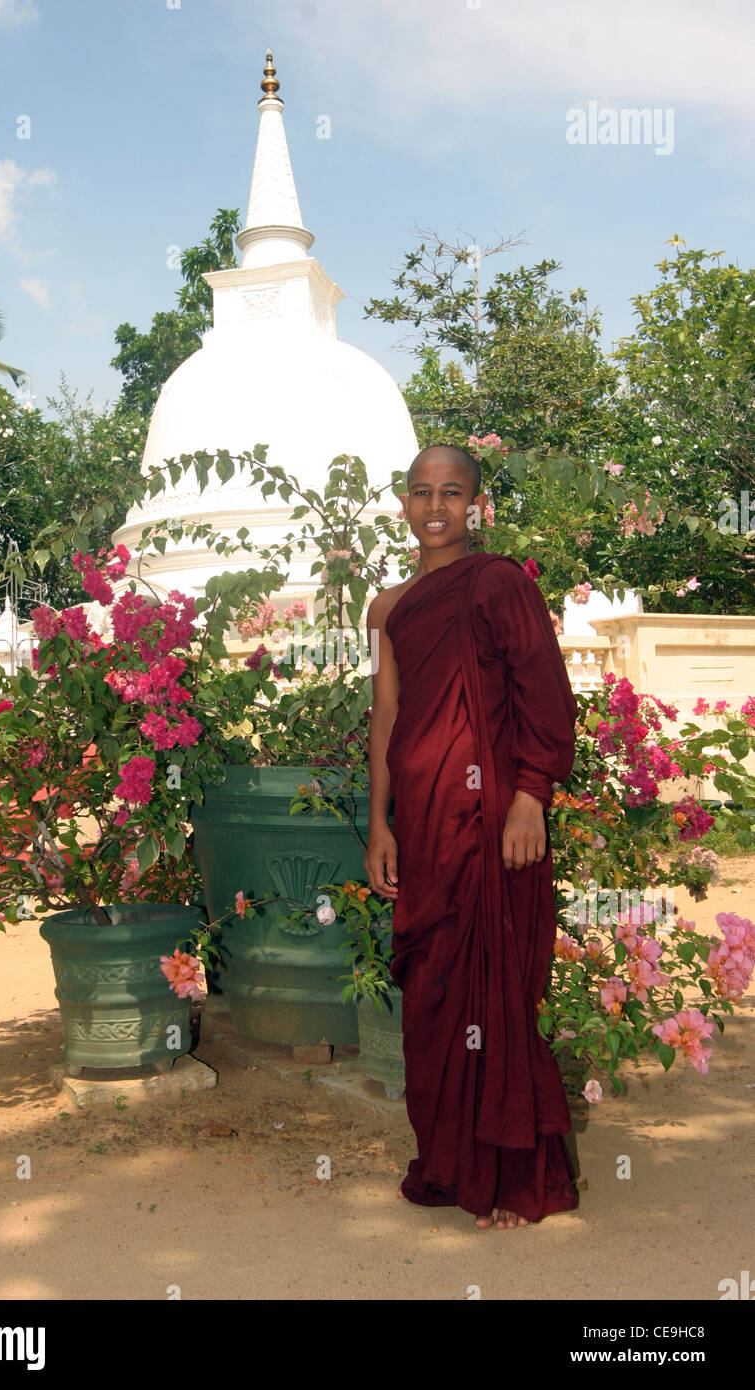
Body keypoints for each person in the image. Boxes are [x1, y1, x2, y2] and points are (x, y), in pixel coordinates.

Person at [364, 443, 580, 1229]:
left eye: (451, 493)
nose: (434, 507)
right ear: (403, 503)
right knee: (431, 997)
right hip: (422, 825)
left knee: (496, 990)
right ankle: (452, 1165)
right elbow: (385, 719)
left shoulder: (498, 585)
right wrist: (377, 825)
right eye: (421, 492)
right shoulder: (387, 608)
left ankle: (514, 1178)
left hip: (493, 827)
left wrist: (530, 797)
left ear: (476, 506)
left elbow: (543, 695)